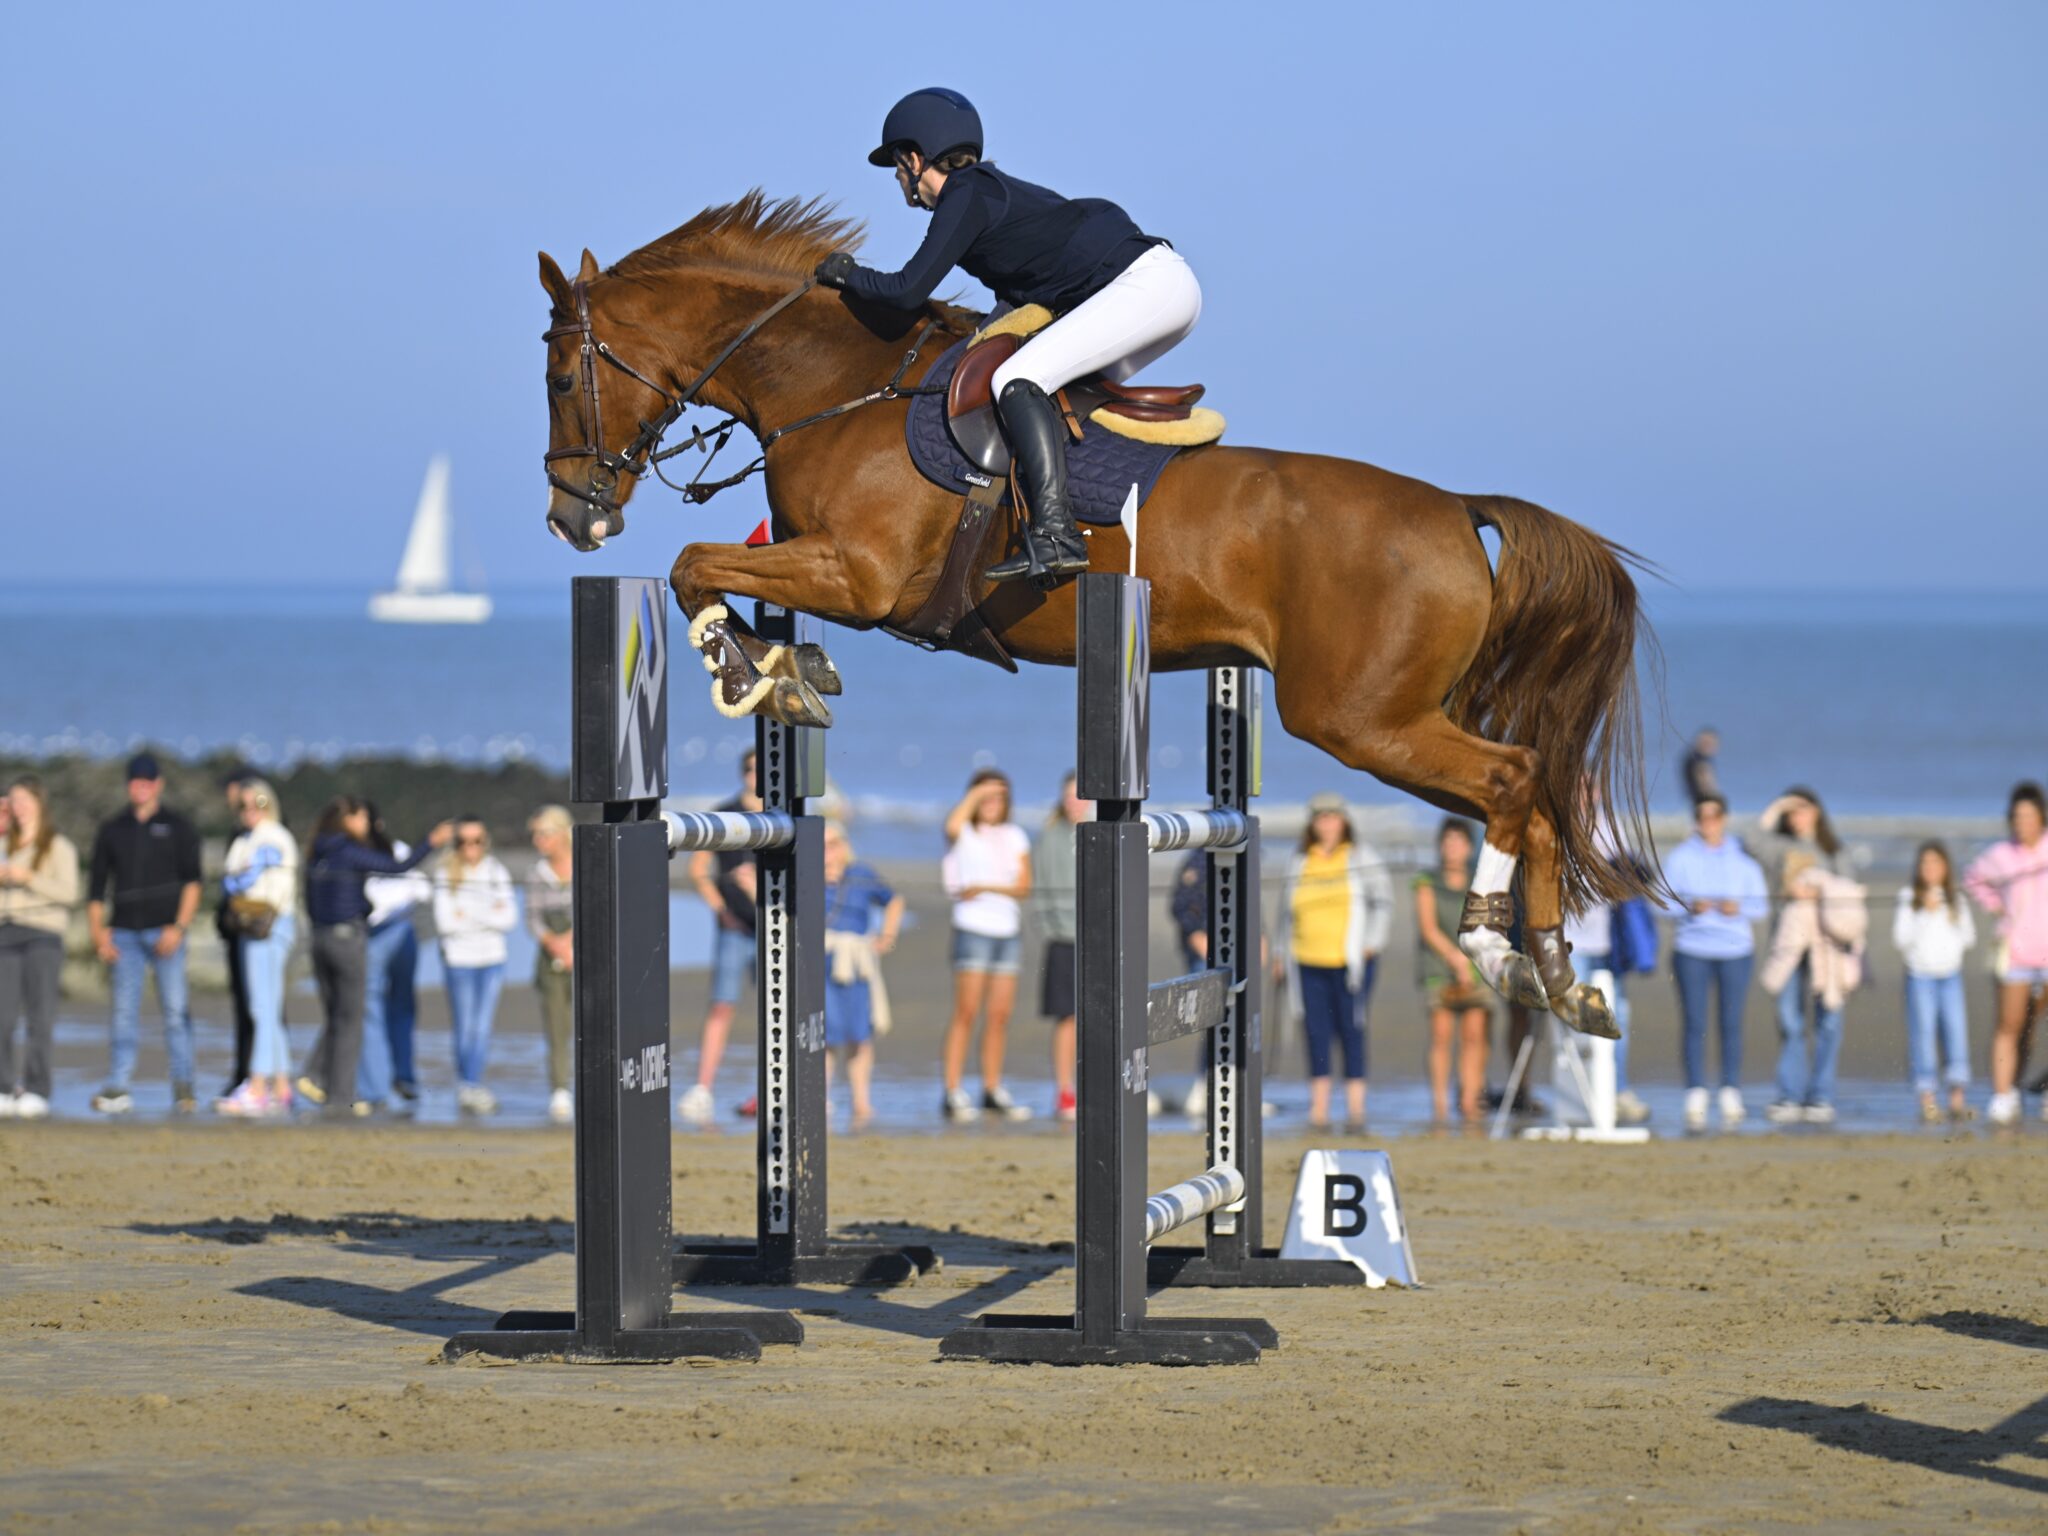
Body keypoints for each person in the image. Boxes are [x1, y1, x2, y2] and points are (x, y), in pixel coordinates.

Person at [815, 87, 1198, 585]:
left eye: (896, 164)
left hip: (1146, 287)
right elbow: (1011, 305)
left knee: (1018, 378)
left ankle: (1057, 536)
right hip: (1155, 289)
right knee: (1049, 384)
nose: (897, 178)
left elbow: (906, 290)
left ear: (915, 158)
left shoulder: (966, 193)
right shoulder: (988, 195)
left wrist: (846, 274)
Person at [302, 797, 450, 1116]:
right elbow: (399, 867)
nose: (366, 824)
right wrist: (430, 843)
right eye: (362, 818)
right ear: (347, 820)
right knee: (351, 1019)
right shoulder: (348, 850)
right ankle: (339, 1096)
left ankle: (318, 1078)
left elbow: (311, 898)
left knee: (337, 1015)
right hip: (347, 941)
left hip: (318, 939)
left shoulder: (316, 851)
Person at [85, 754, 203, 1115]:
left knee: (175, 1011)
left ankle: (183, 1087)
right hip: (123, 936)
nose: (142, 786)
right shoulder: (112, 829)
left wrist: (179, 927)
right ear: (128, 785)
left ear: (159, 784)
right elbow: (96, 890)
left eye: (148, 780)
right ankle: (119, 1085)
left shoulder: (178, 827)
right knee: (123, 1013)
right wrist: (98, 936)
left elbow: (193, 882)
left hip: (167, 934)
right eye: (136, 780)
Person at [1276, 793, 1390, 1133]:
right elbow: (1285, 912)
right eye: (1321, 818)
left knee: (1351, 1030)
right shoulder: (1299, 860)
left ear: (1344, 821)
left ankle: (1356, 1108)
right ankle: (1319, 1109)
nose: (1327, 824)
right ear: (1312, 823)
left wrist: (1372, 943)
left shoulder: (1360, 856)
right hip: (1306, 961)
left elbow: (1382, 902)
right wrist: (1281, 955)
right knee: (1315, 1033)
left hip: (1349, 963)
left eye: (1333, 817)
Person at [1662, 795, 1770, 1132]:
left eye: (1714, 816)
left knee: (1731, 1023)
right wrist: (1689, 907)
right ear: (1696, 820)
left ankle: (1729, 1090)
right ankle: (1695, 1091)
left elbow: (1761, 906)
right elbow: (1661, 903)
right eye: (1702, 816)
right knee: (1695, 1023)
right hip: (1692, 949)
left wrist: (1737, 908)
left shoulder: (1743, 862)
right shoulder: (1679, 858)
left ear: (1724, 818)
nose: (1709, 822)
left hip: (1735, 951)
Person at [1753, 788, 1858, 1125]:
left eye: (1803, 810)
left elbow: (1850, 892)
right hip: (1786, 947)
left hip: (1826, 949)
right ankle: (1789, 1095)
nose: (1797, 817)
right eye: (1792, 812)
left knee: (1828, 1021)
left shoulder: (1833, 850)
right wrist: (1777, 805)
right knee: (1789, 1021)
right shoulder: (1779, 848)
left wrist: (1816, 891)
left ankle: (1821, 1095)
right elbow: (1751, 840)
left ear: (1817, 812)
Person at [939, 768, 1033, 1121]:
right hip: (972, 928)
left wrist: (986, 887)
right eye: (985, 797)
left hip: (1006, 931)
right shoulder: (963, 832)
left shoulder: (1015, 836)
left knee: (999, 1015)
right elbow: (952, 824)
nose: (992, 804)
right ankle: (952, 1089)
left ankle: (992, 1087)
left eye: (998, 798)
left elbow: (1024, 886)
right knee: (966, 1011)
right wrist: (979, 792)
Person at [678, 750, 761, 1126]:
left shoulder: (784, 812)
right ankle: (703, 1087)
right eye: (749, 769)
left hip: (772, 927)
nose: (755, 776)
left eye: (762, 769)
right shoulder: (724, 811)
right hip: (734, 929)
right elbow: (698, 869)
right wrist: (720, 908)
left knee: (776, 1009)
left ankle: (769, 1088)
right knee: (722, 1005)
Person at [1963, 781, 2048, 1126]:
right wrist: (1997, 906)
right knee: (2010, 1025)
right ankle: (2003, 1095)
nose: (2022, 822)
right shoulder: (2001, 855)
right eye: (2017, 816)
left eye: (2029, 816)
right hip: (2015, 954)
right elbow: (1974, 879)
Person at [215, 781, 299, 1117]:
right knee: (266, 1006)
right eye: (244, 805)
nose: (251, 811)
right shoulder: (243, 841)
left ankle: (257, 1084)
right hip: (247, 925)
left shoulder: (277, 837)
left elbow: (279, 887)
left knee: (263, 1008)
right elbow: (231, 878)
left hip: (270, 926)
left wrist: (265, 909)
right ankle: (281, 1085)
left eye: (258, 803)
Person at [0, 777, 80, 1120]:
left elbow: (69, 893)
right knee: (2, 1017)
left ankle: (37, 1087)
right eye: (12, 801)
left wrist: (27, 878)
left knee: (40, 1017)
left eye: (23, 800)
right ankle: (3, 1087)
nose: (18, 807)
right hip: (6, 933)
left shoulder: (58, 846)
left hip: (43, 935)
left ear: (38, 802)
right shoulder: (5, 844)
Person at [434, 816, 518, 1116]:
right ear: (455, 844)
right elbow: (445, 923)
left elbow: (509, 918)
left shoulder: (496, 872)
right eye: (463, 841)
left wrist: (468, 915)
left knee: (481, 1028)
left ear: (486, 842)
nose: (470, 847)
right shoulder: (446, 872)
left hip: (492, 960)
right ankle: (467, 1084)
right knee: (465, 1027)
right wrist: (486, 914)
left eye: (477, 841)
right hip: (458, 960)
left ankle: (472, 1083)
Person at [821, 822, 902, 1130]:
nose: (830, 851)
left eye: (835, 843)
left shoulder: (861, 874)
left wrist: (888, 935)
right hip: (821, 957)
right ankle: (822, 1097)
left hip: (856, 960)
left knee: (860, 1034)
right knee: (824, 1034)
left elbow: (893, 899)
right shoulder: (805, 873)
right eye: (823, 845)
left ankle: (861, 1101)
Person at [1414, 818, 1493, 1125]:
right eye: (1447, 842)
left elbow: (1486, 925)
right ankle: (1440, 1104)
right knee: (1441, 1034)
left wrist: (1469, 961)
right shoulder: (1426, 881)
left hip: (1475, 965)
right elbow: (1428, 928)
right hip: (1438, 966)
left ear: (1469, 847)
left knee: (1474, 1035)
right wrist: (1455, 959)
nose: (1453, 848)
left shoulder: (1481, 881)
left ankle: (1469, 1100)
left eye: (1459, 842)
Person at [354, 802, 430, 1115]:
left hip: (397, 932)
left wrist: (384, 906)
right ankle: (378, 1085)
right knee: (372, 1009)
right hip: (372, 935)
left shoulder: (398, 850)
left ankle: (399, 1078)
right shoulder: (356, 854)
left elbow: (422, 889)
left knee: (398, 1007)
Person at [1893, 840, 1976, 1123]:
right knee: (1923, 1036)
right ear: (1918, 868)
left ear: (1945, 867)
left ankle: (1956, 1099)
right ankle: (1928, 1099)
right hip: (1920, 977)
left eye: (1935, 862)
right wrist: (1924, 914)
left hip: (1950, 976)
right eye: (1925, 863)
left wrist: (1947, 915)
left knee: (1956, 1034)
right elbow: (1900, 939)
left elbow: (1969, 938)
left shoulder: (1956, 897)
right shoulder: (1908, 897)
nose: (1930, 868)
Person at [1031, 772, 1087, 1121]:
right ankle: (1064, 1090)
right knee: (1066, 1018)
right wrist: (1053, 929)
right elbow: (1041, 892)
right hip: (1062, 940)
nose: (1074, 802)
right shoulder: (1050, 838)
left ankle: (1095, 1086)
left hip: (1097, 938)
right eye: (1069, 795)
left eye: (1080, 796)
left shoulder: (1101, 832)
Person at [526, 806, 576, 1125]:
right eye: (536, 834)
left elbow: (596, 905)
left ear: (562, 833)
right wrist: (552, 941)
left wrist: (572, 941)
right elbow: (531, 917)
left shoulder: (585, 863)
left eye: (545, 833)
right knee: (555, 1023)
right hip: (549, 953)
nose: (539, 840)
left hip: (584, 947)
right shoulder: (536, 873)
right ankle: (559, 1088)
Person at [214, 770, 260, 1098]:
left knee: (262, 1008)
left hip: (259, 932)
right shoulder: (238, 834)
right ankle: (243, 1073)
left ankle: (259, 1077)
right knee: (243, 1007)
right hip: (235, 933)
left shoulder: (267, 835)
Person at [1682, 729, 1722, 807]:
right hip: (1704, 801)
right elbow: (1705, 782)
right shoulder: (1699, 760)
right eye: (1709, 743)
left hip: (1697, 799)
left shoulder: (1692, 757)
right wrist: (1717, 801)